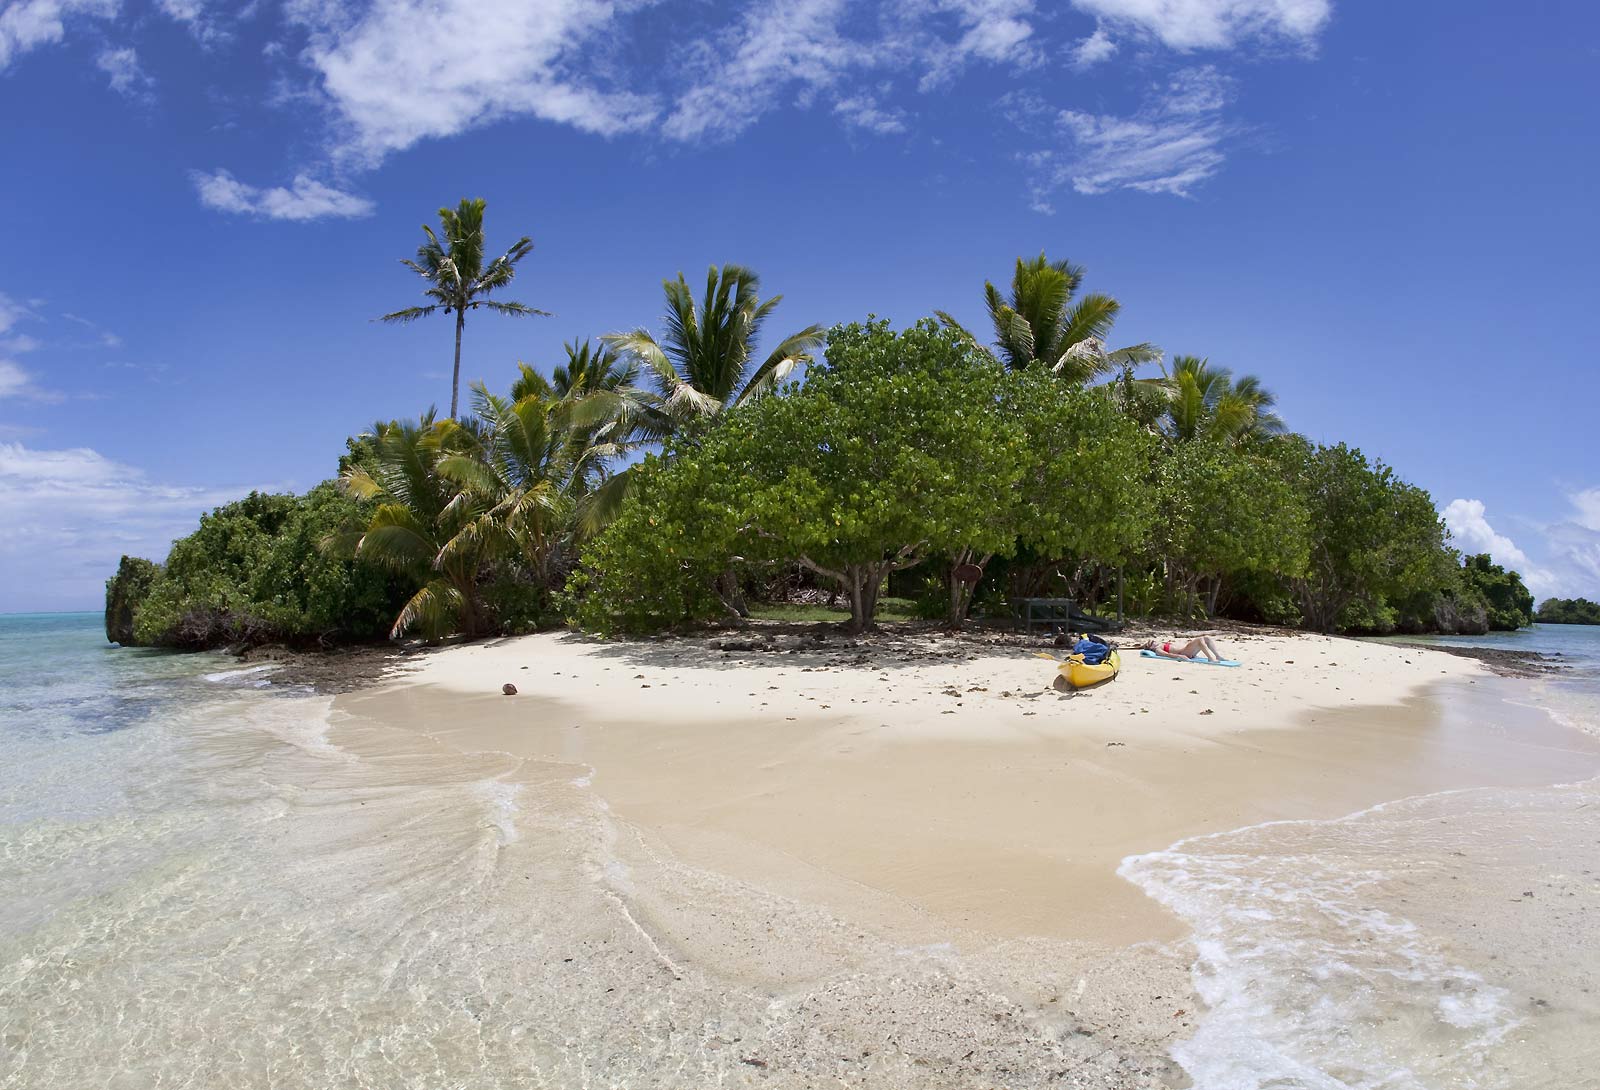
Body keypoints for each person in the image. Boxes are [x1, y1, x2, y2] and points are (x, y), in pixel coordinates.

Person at [1143, 635, 1225, 662]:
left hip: (1186, 649)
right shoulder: (1158, 649)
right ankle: (1211, 658)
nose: (1154, 641)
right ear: (1151, 647)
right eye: (1152, 642)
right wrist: (1180, 657)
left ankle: (1217, 656)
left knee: (1206, 638)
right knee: (1200, 639)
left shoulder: (1161, 644)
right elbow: (1167, 655)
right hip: (1184, 652)